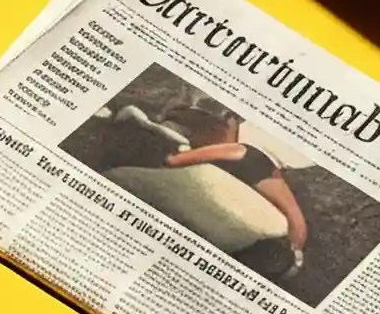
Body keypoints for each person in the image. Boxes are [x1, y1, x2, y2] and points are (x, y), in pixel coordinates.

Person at [115, 102, 308, 277]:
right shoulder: (243, 155)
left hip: (246, 201)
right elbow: (295, 217)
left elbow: (174, 161)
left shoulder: (243, 154)